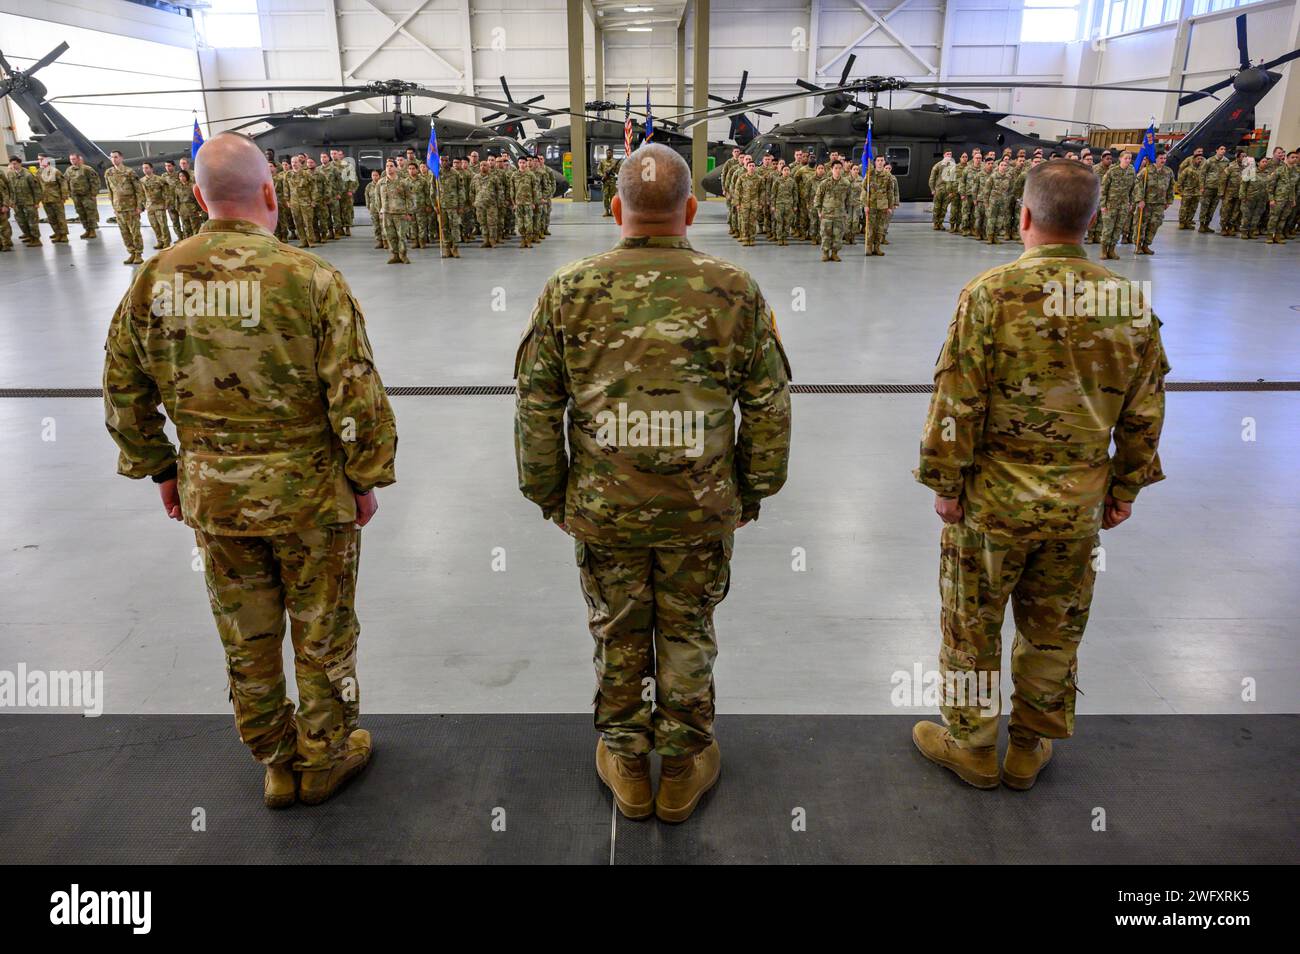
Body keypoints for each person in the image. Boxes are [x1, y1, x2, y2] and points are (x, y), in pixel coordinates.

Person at [102, 131, 397, 809]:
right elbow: (355, 392)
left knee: (246, 631)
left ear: (199, 197)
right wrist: (364, 476)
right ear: (271, 193)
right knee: (323, 629)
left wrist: (161, 469)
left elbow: (123, 387)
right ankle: (324, 756)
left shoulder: (154, 278)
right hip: (311, 497)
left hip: (215, 495)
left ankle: (274, 758)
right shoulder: (310, 277)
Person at [514, 143, 791, 824]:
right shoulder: (734, 289)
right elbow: (768, 403)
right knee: (689, 629)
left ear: (615, 210)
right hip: (700, 508)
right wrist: (753, 489)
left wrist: (550, 493)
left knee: (619, 629)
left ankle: (629, 761)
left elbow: (537, 403)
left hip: (606, 507)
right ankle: (685, 764)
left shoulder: (569, 289)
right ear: (692, 209)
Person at [912, 159, 1168, 791]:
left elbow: (956, 401)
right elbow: (1145, 410)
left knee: (972, 626)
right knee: (1054, 627)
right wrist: (1125, 489)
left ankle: (972, 744)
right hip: (1077, 507)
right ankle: (1028, 747)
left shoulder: (990, 294)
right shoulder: (1129, 303)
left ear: (1022, 215)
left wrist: (946, 484)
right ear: (1095, 219)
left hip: (992, 505)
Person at [104, 150, 145, 264]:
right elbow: (110, 191)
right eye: (112, 157)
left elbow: (138, 190)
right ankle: (131, 253)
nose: (114, 159)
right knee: (124, 233)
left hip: (131, 207)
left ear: (121, 158)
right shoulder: (108, 173)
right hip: (119, 208)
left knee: (135, 232)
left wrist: (139, 206)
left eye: (116, 157)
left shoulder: (129, 172)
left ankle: (138, 254)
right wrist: (113, 206)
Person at [1131, 151, 1175, 255]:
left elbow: (1171, 186)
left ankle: (1146, 245)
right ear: (1155, 159)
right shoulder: (1146, 171)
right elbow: (1138, 185)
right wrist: (1140, 199)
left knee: (1154, 224)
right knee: (1141, 224)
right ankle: (1138, 245)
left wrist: (1169, 201)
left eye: (1164, 158)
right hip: (1146, 203)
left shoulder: (1168, 171)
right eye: (1161, 158)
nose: (1163, 160)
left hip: (1159, 203)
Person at [5, 156, 43, 246]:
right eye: (12, 164)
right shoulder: (10, 174)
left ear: (19, 163)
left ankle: (36, 240)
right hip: (17, 203)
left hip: (29, 202)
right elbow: (9, 189)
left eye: (15, 164)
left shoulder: (28, 174)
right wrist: (10, 201)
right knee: (22, 221)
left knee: (32, 221)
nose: (13, 166)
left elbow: (36, 189)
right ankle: (29, 236)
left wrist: (37, 202)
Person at [65, 153, 102, 240]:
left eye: (74, 159)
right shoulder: (69, 170)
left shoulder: (87, 169)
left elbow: (95, 181)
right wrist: (69, 193)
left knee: (90, 213)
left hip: (87, 196)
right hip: (76, 197)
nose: (72, 161)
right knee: (81, 213)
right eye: (71, 159)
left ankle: (92, 230)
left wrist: (93, 194)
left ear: (78, 159)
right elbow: (65, 182)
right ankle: (87, 230)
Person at [36, 154, 70, 243]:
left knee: (60, 217)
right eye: (38, 159)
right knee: (51, 218)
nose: (39, 161)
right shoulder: (39, 172)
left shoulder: (55, 171)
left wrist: (64, 196)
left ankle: (64, 235)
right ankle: (57, 233)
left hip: (56, 198)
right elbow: (38, 186)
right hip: (45, 199)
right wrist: (38, 199)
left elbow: (63, 183)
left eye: (41, 159)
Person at [597, 147, 620, 216]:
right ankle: (607, 211)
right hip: (605, 182)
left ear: (612, 154)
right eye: (607, 153)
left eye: (610, 153)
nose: (609, 154)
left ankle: (612, 211)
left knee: (612, 197)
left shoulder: (615, 162)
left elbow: (617, 171)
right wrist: (603, 175)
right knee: (605, 197)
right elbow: (598, 170)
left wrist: (615, 170)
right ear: (606, 153)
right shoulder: (602, 161)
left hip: (612, 181)